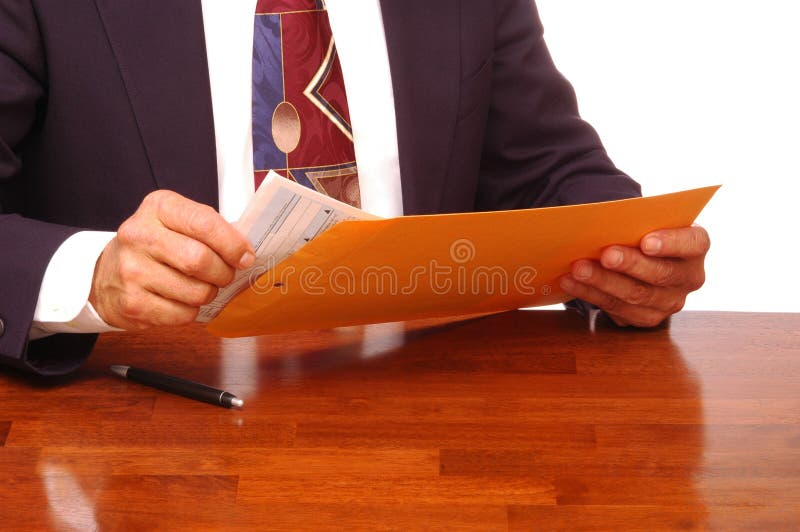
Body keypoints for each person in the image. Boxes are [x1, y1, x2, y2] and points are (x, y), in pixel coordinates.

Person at [0, 0, 709, 376]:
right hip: (145, 430)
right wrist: (90, 276)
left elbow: (547, 166)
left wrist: (635, 256)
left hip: (420, 412)